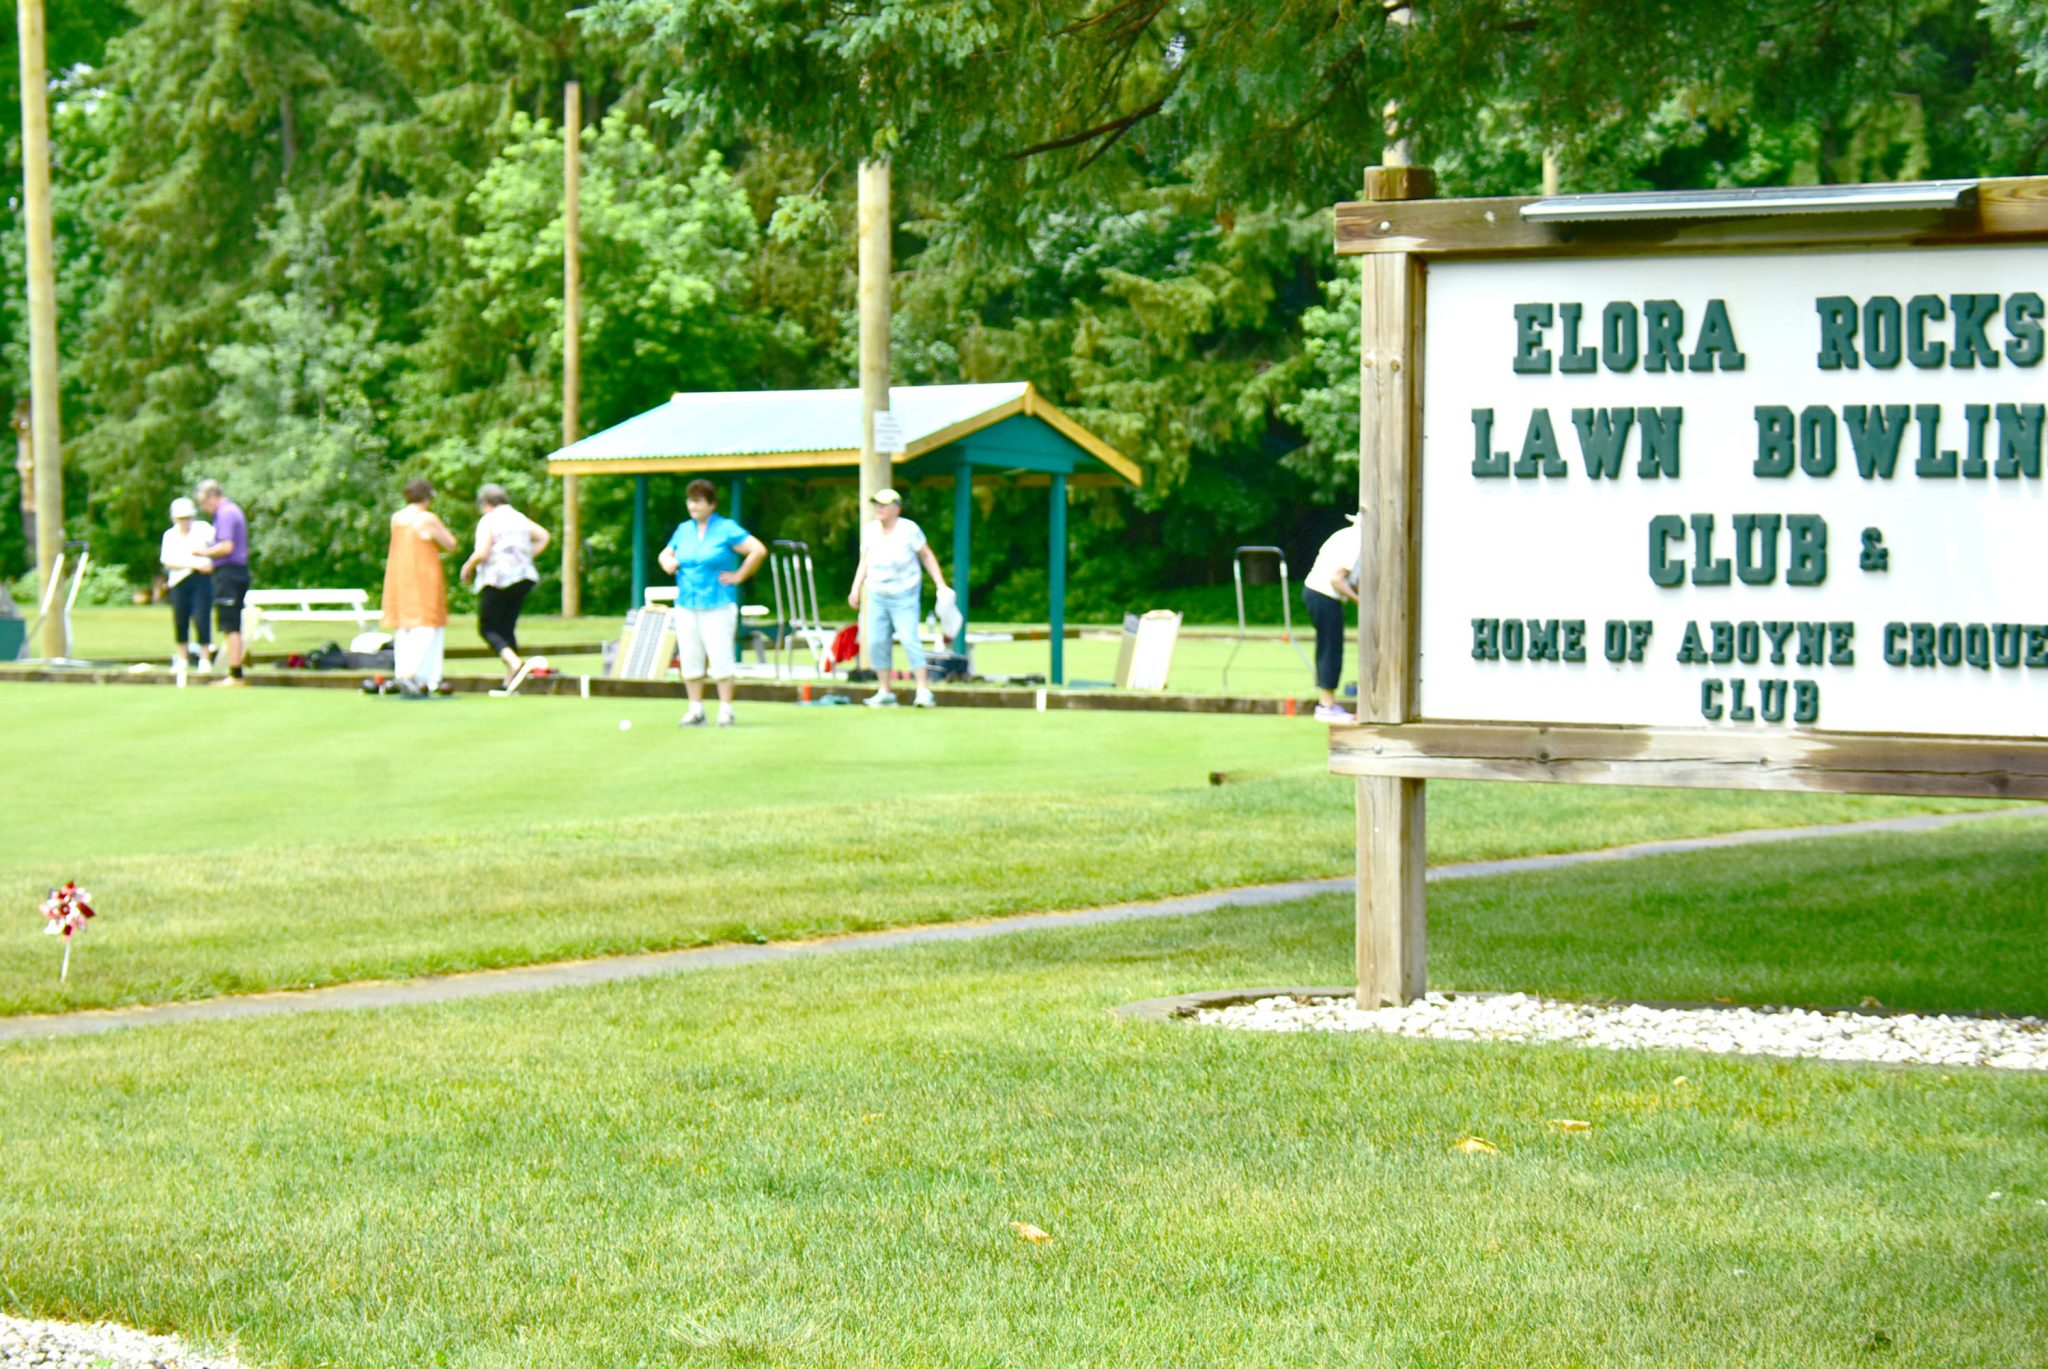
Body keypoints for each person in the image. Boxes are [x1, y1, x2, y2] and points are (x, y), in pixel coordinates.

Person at [656, 478, 766, 727]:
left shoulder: (726, 528)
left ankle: (726, 710)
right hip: (686, 602)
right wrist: (667, 562)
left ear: (711, 504)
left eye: (698, 501)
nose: (693, 506)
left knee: (720, 656)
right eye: (690, 501)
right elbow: (666, 552)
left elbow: (757, 549)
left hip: (717, 602)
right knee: (690, 656)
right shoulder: (684, 529)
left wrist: (739, 576)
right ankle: (695, 709)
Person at [848, 487, 949, 708]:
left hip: (905, 593)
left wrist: (940, 583)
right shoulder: (871, 530)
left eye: (884, 505)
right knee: (875, 641)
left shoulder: (909, 529)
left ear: (896, 508)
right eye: (877, 504)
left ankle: (923, 690)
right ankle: (885, 691)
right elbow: (865, 561)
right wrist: (856, 589)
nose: (879, 508)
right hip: (876, 593)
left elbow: (926, 555)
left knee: (909, 638)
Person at [459, 483, 551, 688]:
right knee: (507, 627)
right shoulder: (518, 517)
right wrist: (525, 556)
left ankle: (515, 663)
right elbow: (544, 536)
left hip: (498, 578)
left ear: (486, 503)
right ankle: (511, 681)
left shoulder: (489, 520)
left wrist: (468, 566)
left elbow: (482, 551)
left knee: (488, 627)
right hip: (524, 577)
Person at [380, 477, 458, 697]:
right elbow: (450, 544)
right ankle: (415, 675)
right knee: (427, 624)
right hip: (423, 575)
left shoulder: (397, 518)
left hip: (400, 575)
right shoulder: (426, 519)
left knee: (404, 626)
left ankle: (402, 673)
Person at [1303, 505, 1364, 723]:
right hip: (1324, 595)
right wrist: (1361, 602)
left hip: (1316, 594)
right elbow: (1337, 580)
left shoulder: (1346, 534)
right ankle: (1326, 706)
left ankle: (1327, 703)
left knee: (1328, 648)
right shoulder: (1356, 540)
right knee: (1331, 649)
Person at [192, 479, 251, 686]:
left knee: (230, 624)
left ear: (212, 497)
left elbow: (226, 547)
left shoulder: (226, 513)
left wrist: (203, 552)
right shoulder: (231, 510)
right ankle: (236, 672)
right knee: (232, 623)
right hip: (233, 571)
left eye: (203, 503)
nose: (203, 508)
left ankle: (235, 675)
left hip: (230, 573)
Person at [159, 496, 215, 672]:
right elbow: (167, 560)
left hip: (201, 579)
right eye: (181, 518)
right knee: (180, 618)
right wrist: (194, 563)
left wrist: (208, 563)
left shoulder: (203, 529)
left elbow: (217, 549)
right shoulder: (170, 535)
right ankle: (182, 658)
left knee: (201, 616)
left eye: (187, 518)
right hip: (178, 581)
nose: (185, 522)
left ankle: (204, 658)